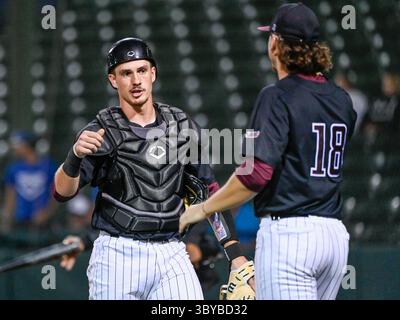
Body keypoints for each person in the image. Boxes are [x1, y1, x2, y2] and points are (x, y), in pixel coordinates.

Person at [180, 3, 357, 300]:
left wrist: (201, 209)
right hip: (335, 236)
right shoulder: (341, 99)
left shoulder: (276, 96)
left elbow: (255, 176)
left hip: (291, 235)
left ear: (275, 43)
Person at [54, 37, 251, 300]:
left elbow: (209, 193)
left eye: (142, 70)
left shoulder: (181, 126)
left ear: (153, 73)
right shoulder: (101, 130)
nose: (136, 80)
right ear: (113, 80)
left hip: (171, 251)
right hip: (117, 254)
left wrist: (235, 256)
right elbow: (62, 192)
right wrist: (74, 156)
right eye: (126, 73)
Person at [1, 131, 58, 232]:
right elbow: (10, 196)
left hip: (43, 222)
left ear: (27, 146)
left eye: (18, 145)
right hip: (20, 220)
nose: (15, 148)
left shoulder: (48, 165)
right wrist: (6, 219)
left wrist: (46, 213)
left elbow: (56, 193)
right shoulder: (13, 168)